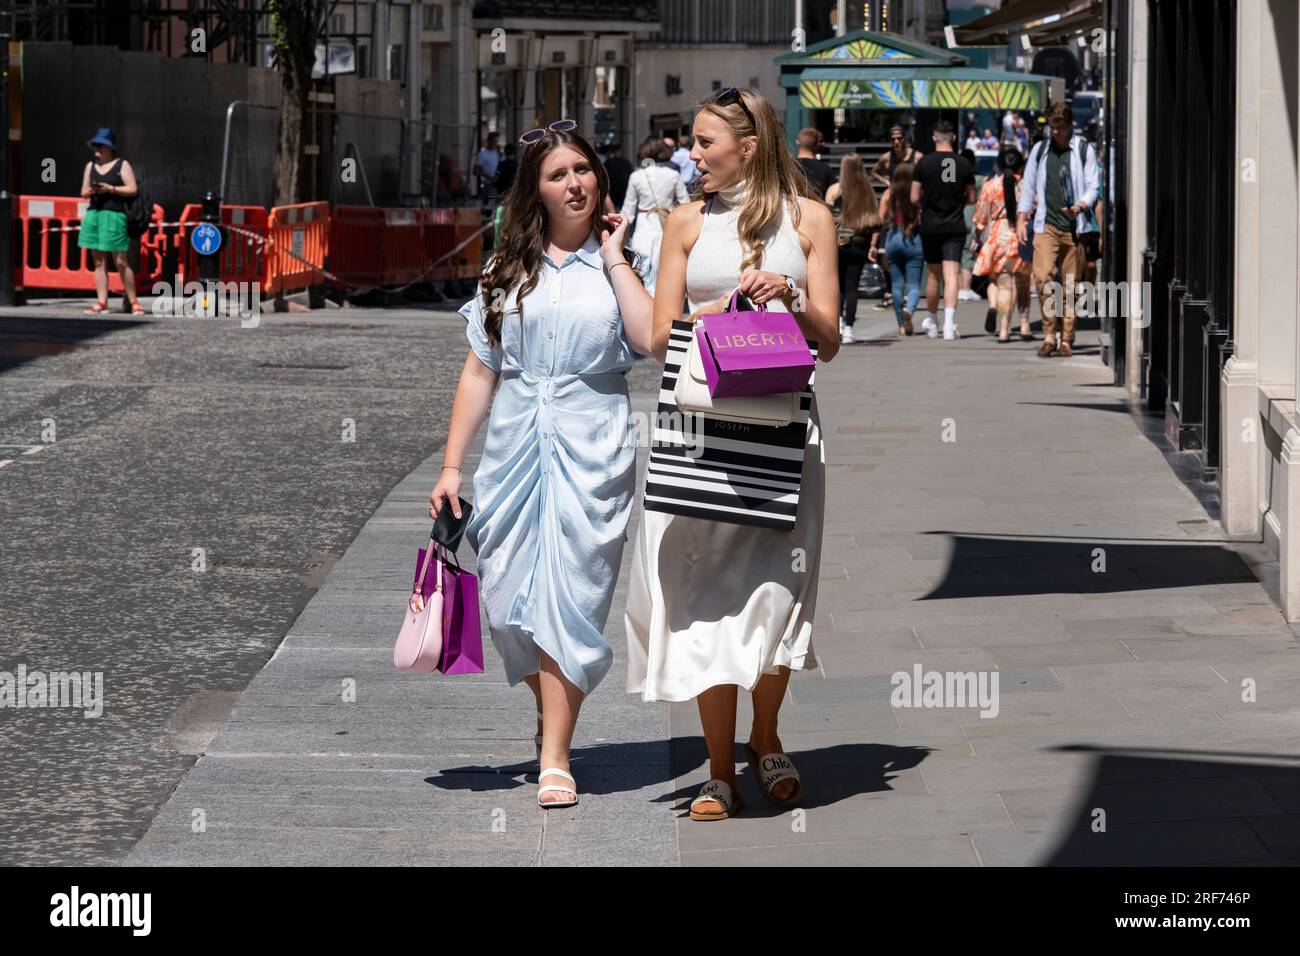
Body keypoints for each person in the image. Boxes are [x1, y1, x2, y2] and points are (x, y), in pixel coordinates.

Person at [625, 86, 840, 821]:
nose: (693, 153)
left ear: (748, 145)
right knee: (704, 602)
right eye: (692, 141)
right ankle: (719, 768)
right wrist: (712, 314)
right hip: (698, 432)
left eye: (705, 141)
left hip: (782, 429)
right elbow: (656, 336)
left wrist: (789, 294)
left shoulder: (809, 219)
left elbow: (832, 338)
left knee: (776, 594)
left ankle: (767, 736)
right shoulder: (684, 221)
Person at [426, 121, 653, 809]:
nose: (574, 183)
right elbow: (480, 372)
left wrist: (616, 256)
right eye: (558, 175)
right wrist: (451, 468)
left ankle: (557, 751)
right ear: (538, 190)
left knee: (572, 603)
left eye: (582, 170)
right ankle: (551, 703)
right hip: (515, 447)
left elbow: (647, 338)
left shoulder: (622, 262)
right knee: (505, 605)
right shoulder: (505, 270)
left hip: (593, 446)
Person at [1016, 102, 1099, 357]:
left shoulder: (1084, 150)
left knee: (1072, 285)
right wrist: (1021, 217)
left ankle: (1067, 337)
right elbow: (1028, 185)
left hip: (1076, 226)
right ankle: (1049, 334)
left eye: (1059, 128)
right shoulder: (1041, 150)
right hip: (1046, 224)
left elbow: (1093, 186)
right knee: (1043, 277)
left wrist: (1082, 205)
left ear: (1069, 126)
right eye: (1052, 127)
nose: (1055, 133)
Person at [911, 119, 976, 340]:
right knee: (951, 274)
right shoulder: (964, 164)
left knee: (933, 275)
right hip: (954, 224)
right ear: (954, 138)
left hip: (930, 224)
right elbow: (972, 197)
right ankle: (949, 324)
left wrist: (926, 205)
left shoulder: (923, 163)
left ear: (934, 138)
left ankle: (932, 320)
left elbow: (914, 197)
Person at [78, 128, 143, 315]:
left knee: (121, 260)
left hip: (114, 215)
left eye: (100, 145)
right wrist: (92, 190)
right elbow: (82, 192)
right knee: (98, 262)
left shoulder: (122, 165)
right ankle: (101, 301)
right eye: (95, 145)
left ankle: (134, 301)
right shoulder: (90, 166)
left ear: (110, 147)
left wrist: (111, 189)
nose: (96, 148)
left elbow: (132, 189)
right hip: (94, 214)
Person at [973, 147, 1033, 343]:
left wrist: (977, 237)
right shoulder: (1027, 186)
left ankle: (1004, 330)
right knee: (1023, 284)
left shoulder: (990, 186)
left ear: (999, 164)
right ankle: (1024, 326)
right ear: (1021, 165)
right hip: (1022, 234)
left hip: (1000, 235)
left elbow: (981, 218)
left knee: (1004, 285)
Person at [620, 137, 689, 292]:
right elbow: (686, 204)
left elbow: (628, 212)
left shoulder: (637, 176)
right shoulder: (673, 175)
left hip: (643, 226)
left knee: (642, 272)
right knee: (665, 271)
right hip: (668, 223)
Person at [826, 154, 881, 344]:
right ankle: (849, 328)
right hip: (859, 244)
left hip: (838, 245)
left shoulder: (834, 190)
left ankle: (839, 324)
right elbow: (875, 222)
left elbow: (828, 219)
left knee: (838, 287)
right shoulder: (867, 192)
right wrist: (873, 245)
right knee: (852, 287)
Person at [873, 162, 924, 336]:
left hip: (893, 236)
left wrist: (873, 244)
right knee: (914, 285)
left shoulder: (889, 193)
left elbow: (879, 220)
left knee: (896, 285)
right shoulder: (918, 193)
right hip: (914, 237)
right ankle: (909, 308)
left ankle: (901, 326)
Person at [795, 127, 834, 200]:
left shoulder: (787, 167)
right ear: (817, 144)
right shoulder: (825, 169)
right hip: (818, 209)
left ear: (797, 142)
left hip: (792, 210)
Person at [603, 140, 633, 211]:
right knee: (623, 209)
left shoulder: (608, 162)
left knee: (612, 209)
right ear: (619, 151)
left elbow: (604, 176)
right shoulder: (626, 162)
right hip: (624, 188)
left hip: (613, 189)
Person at [473, 131, 503, 200]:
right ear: (489, 141)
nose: (495, 143)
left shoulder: (498, 153)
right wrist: (489, 177)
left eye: (496, 141)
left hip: (499, 184)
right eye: (494, 141)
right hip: (488, 185)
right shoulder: (482, 154)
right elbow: (475, 171)